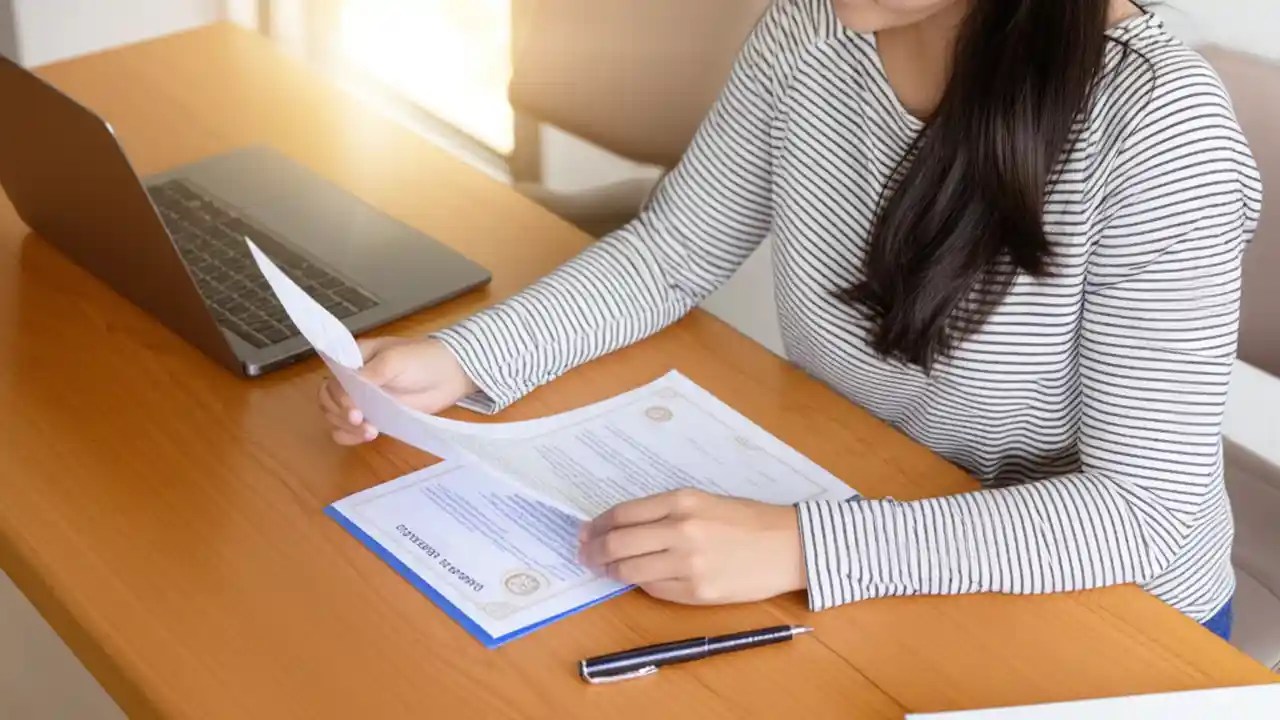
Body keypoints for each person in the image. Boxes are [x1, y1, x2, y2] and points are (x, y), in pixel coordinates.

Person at [318, 0, 1261, 640]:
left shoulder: (1162, 132)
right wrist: (463, 357)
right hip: (865, 512)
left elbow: (1144, 513)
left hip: (1101, 608)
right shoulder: (809, 33)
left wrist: (804, 546)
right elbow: (673, 251)